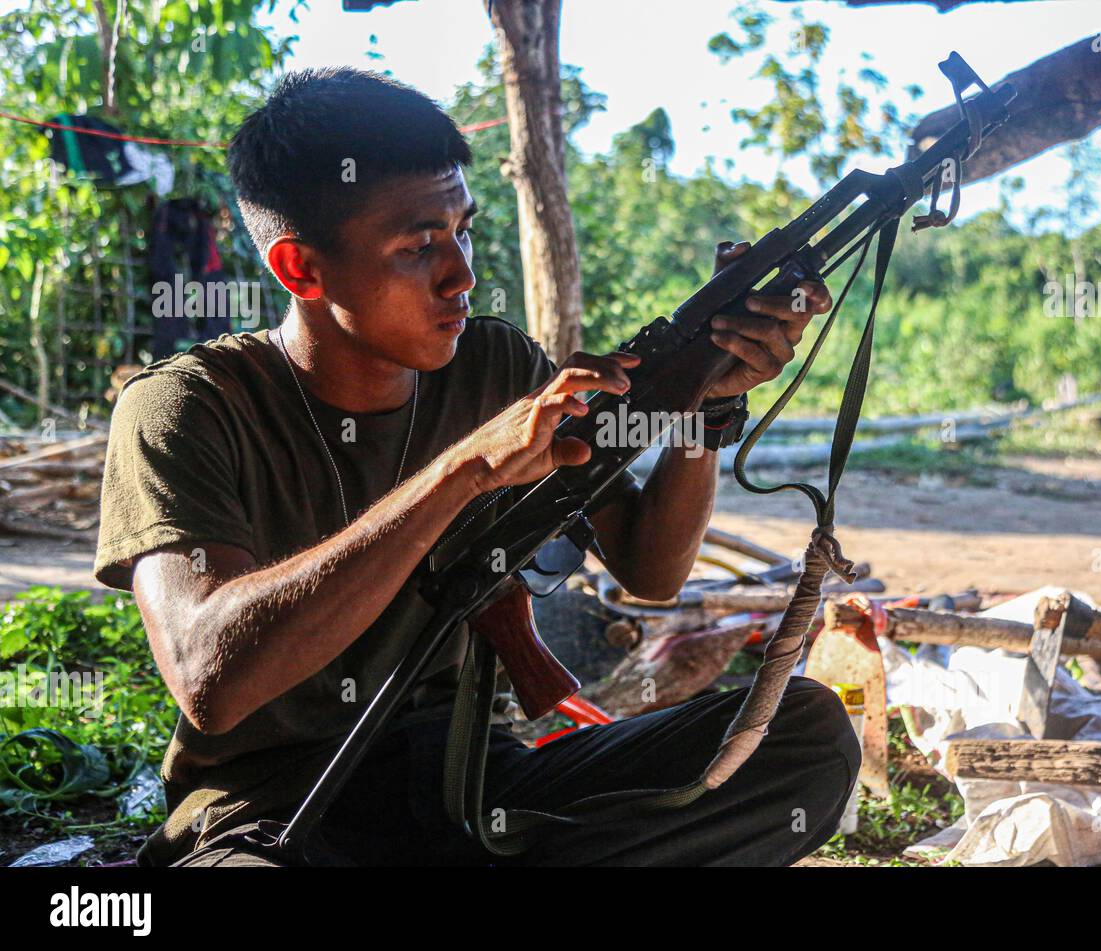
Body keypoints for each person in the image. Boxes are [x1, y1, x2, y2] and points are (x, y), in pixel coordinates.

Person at [95, 67, 860, 867]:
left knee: (798, 737)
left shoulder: (494, 363)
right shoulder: (185, 407)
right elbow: (211, 681)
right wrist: (464, 469)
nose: (461, 271)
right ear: (301, 270)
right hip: (278, 811)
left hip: (468, 783)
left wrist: (699, 403)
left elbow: (652, 568)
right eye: (419, 245)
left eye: (464, 229)